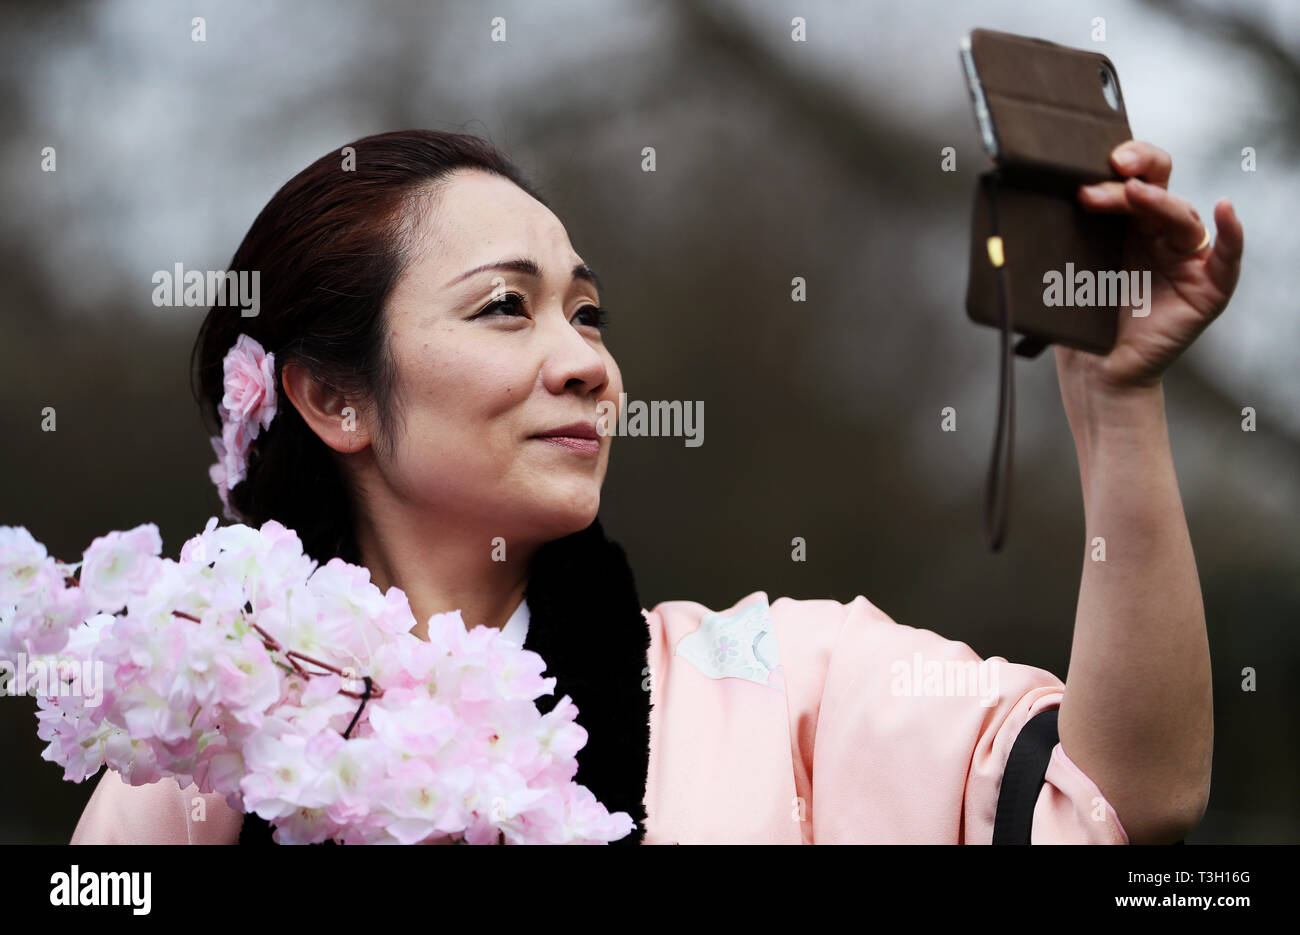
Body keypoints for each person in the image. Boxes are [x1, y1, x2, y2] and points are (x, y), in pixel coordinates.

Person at [70, 128, 1241, 845]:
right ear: (335, 399)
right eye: (504, 306)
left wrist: (1113, 400)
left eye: (587, 311)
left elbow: (1112, 800)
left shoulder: (781, 680)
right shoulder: (214, 745)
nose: (586, 361)